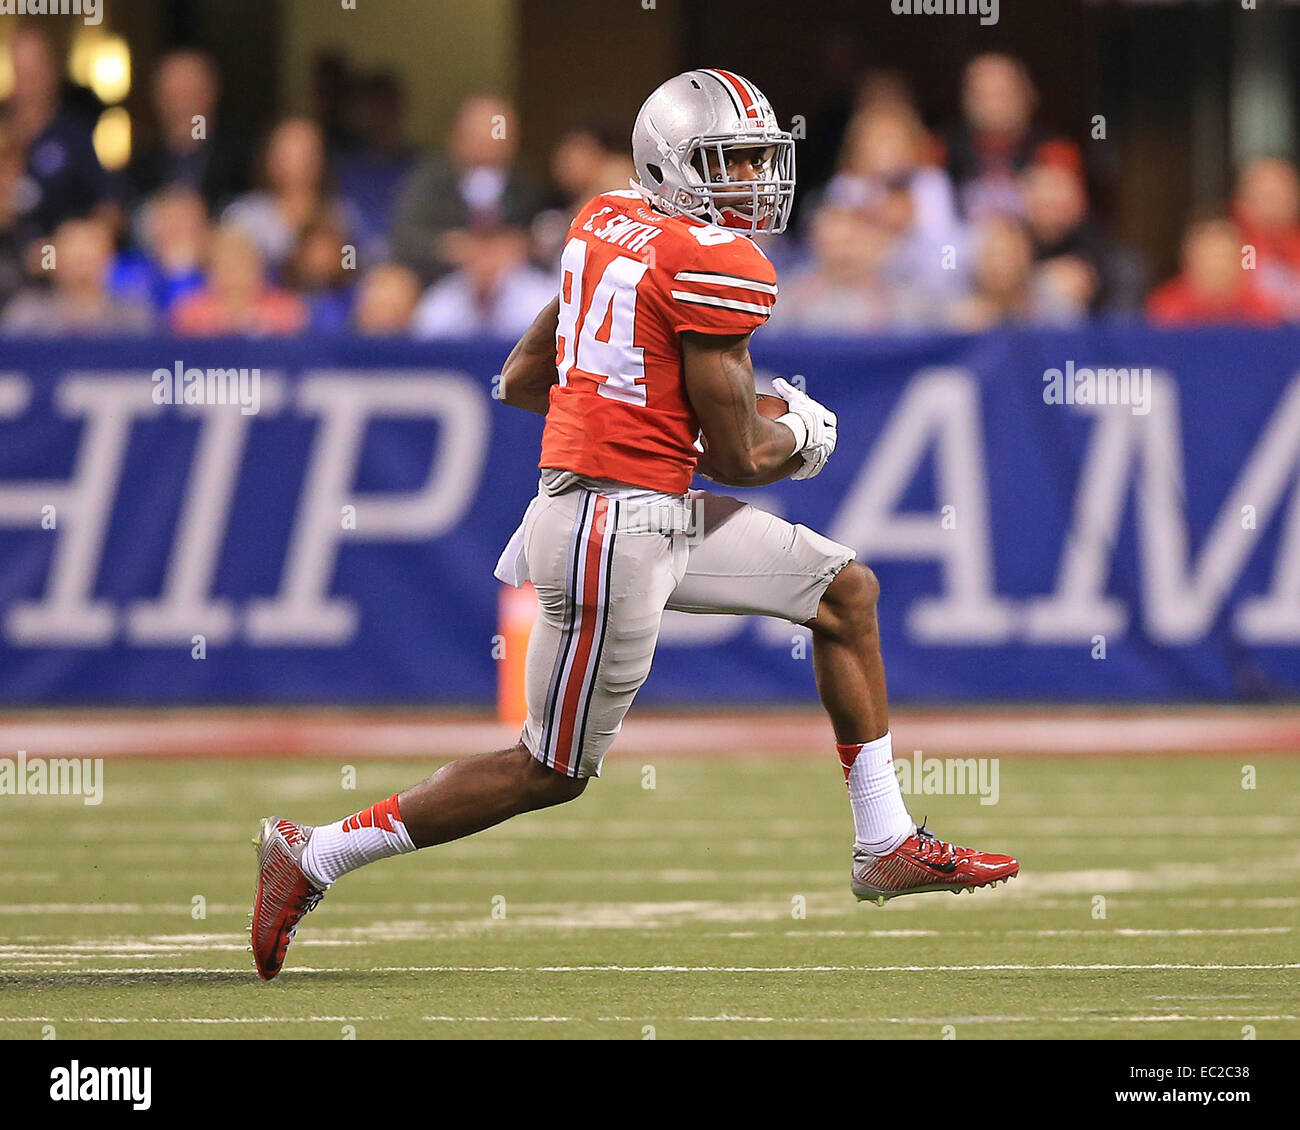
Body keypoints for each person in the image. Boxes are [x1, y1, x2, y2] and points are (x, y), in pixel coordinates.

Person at [250, 69, 1018, 981]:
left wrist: (628, 412)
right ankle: (314, 853)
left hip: (641, 508)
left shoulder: (602, 220)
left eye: (754, 160)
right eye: (726, 162)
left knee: (846, 591)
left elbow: (524, 376)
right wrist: (802, 438)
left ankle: (883, 838)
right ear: (669, 166)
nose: (748, 181)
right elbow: (738, 454)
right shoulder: (715, 264)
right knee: (551, 769)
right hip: (612, 527)